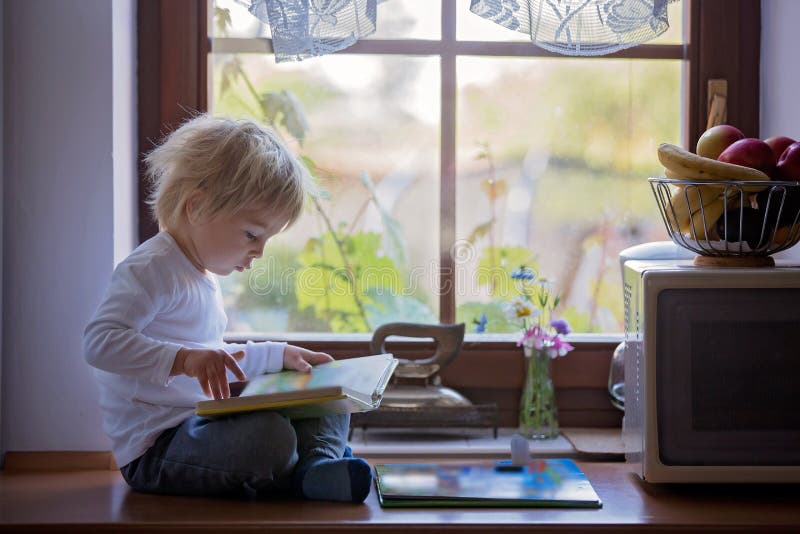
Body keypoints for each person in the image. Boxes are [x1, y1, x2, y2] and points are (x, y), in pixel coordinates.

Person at [83, 114, 372, 502]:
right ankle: (306, 470)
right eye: (252, 234)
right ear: (197, 207)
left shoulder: (200, 274)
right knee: (268, 437)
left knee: (332, 395)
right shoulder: (151, 268)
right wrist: (184, 360)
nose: (259, 251)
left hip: (204, 424)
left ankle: (317, 467)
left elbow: (218, 358)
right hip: (157, 448)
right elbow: (99, 343)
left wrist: (278, 356)